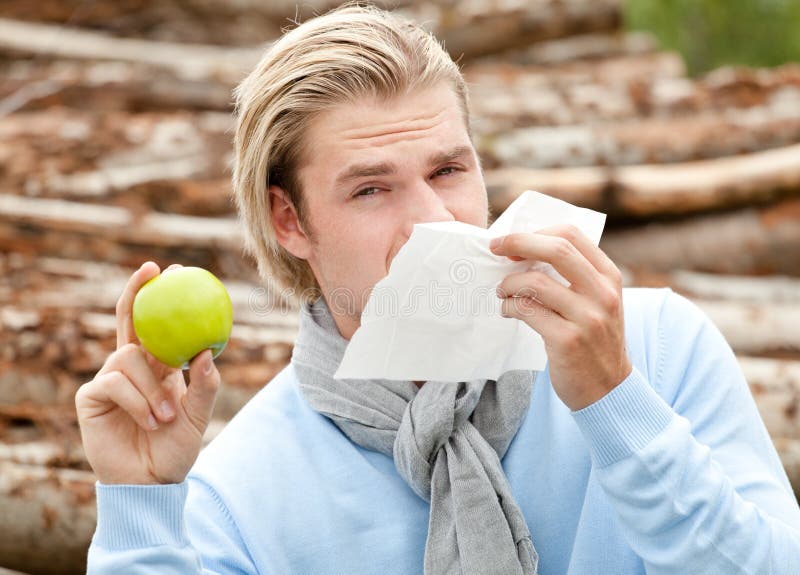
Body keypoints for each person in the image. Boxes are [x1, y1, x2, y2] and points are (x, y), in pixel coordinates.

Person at [77, 4, 800, 574]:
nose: (432, 218)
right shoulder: (238, 496)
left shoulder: (659, 350)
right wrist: (140, 502)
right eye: (371, 189)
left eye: (449, 171)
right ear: (289, 220)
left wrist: (618, 407)